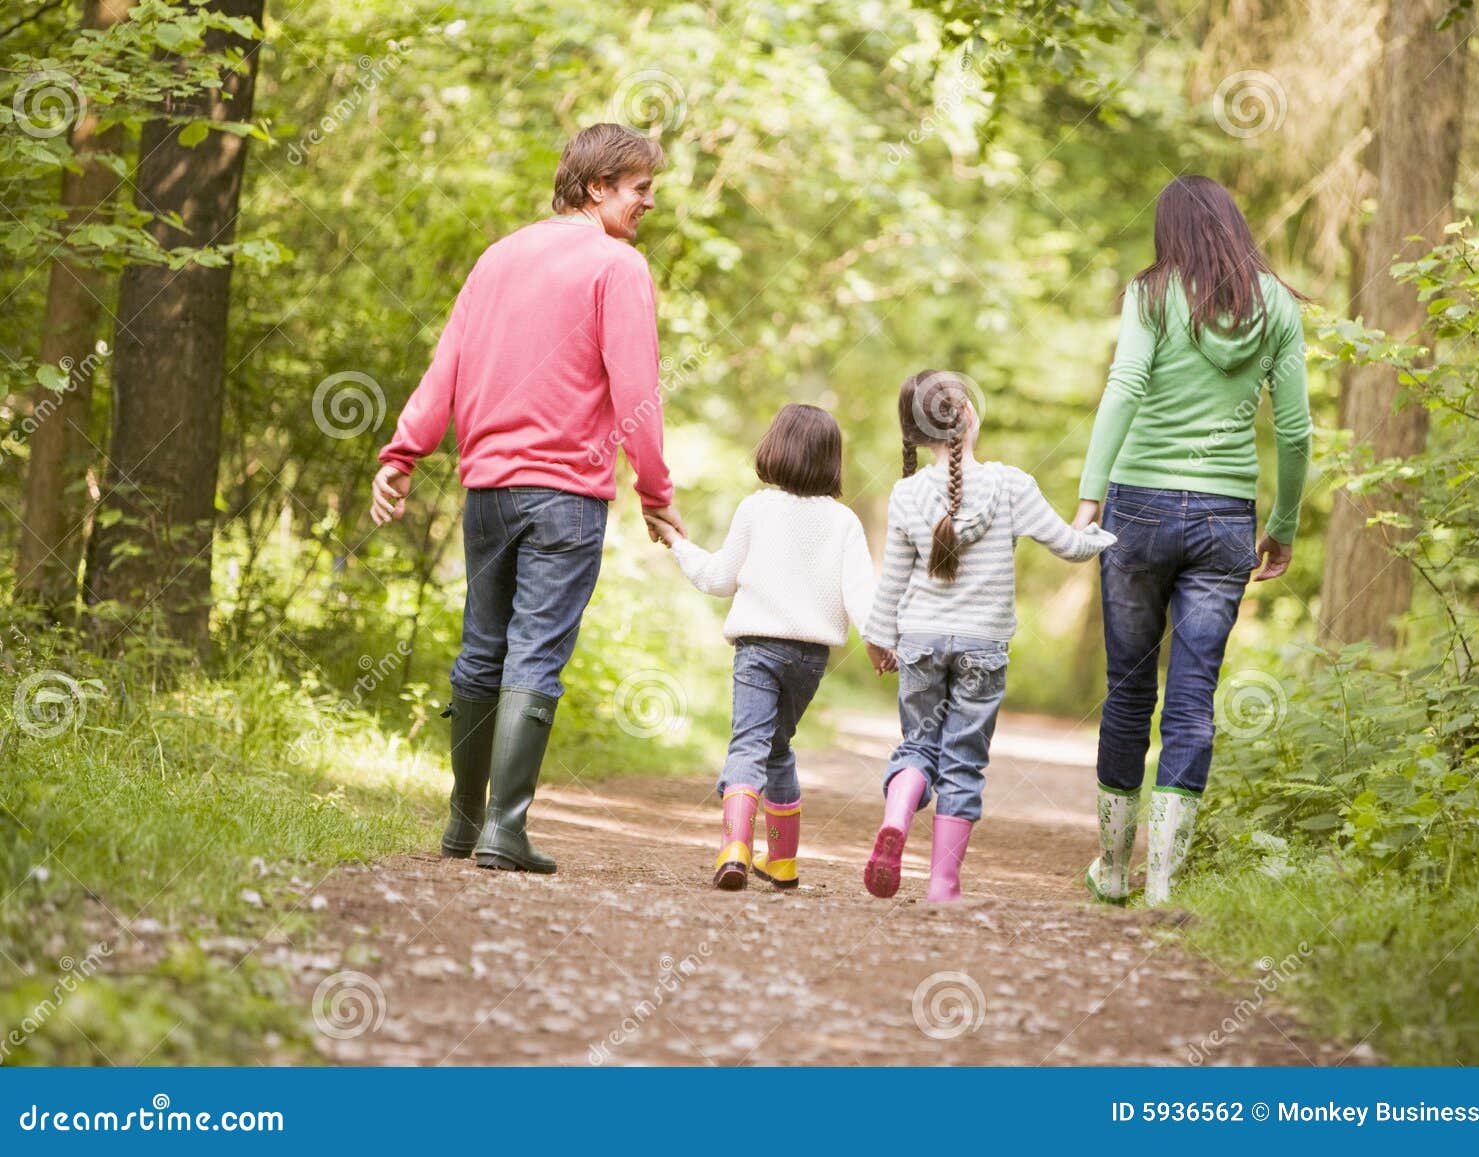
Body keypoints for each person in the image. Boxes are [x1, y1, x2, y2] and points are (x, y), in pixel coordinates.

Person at [369, 123, 687, 874]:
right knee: (535, 649)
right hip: (566, 494)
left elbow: (447, 361)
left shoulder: (499, 256)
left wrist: (403, 449)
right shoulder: (619, 266)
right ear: (597, 186)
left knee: (482, 645)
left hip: (487, 488)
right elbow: (638, 391)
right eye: (641, 188)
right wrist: (654, 488)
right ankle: (504, 829)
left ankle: (462, 820)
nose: (649, 203)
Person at [1072, 174, 1311, 905]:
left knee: (1128, 689)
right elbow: (1297, 430)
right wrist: (1284, 524)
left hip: (1137, 507)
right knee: (1193, 696)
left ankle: (1113, 868)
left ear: (1170, 231)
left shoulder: (1150, 294)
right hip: (1225, 518)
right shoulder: (1277, 305)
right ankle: (1165, 882)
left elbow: (1125, 385)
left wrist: (1089, 496)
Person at [862, 370, 1114, 903]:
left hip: (921, 640)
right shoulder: (1010, 484)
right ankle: (942, 884)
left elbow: (893, 582)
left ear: (914, 433)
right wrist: (1101, 535)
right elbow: (1068, 546)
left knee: (917, 745)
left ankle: (897, 813)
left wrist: (878, 638)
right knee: (962, 760)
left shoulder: (906, 493)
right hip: (983, 647)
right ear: (969, 417)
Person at [647, 404, 876, 891]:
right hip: (811, 658)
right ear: (832, 460)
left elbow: (717, 579)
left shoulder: (756, 508)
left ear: (775, 448)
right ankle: (783, 860)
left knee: (748, 744)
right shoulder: (845, 522)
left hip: (758, 649)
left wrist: (676, 543)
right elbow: (861, 597)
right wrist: (880, 644)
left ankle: (735, 846)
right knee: (778, 748)